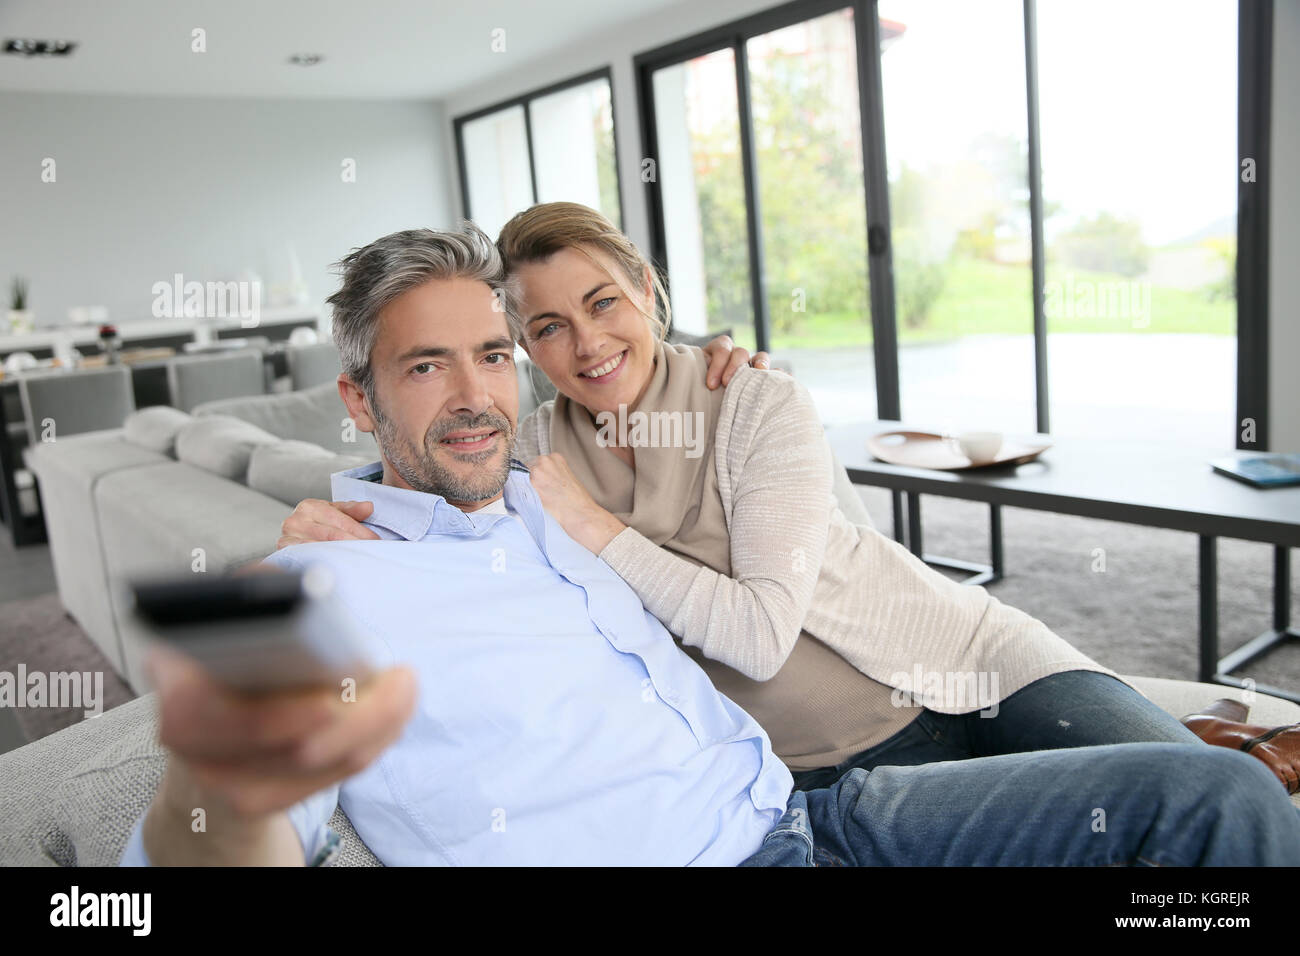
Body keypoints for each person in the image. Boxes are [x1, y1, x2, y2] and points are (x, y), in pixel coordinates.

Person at [122, 225, 1300, 866]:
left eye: (491, 354)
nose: (475, 390)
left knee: (1208, 800)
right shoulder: (316, 584)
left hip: (819, 811)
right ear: (359, 400)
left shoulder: (546, 481)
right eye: (425, 365)